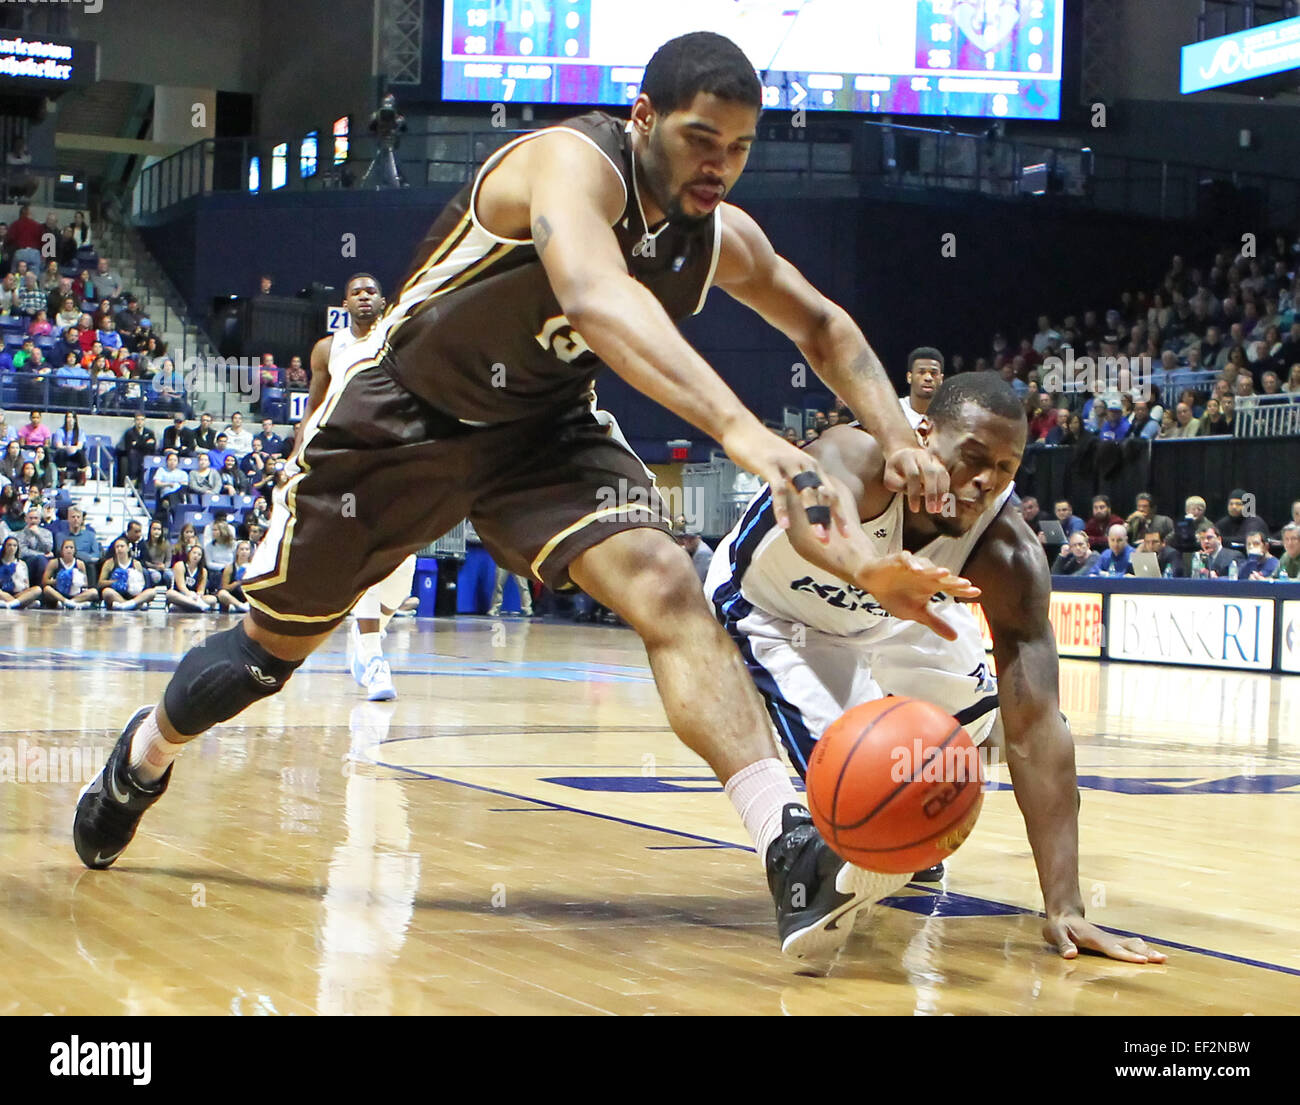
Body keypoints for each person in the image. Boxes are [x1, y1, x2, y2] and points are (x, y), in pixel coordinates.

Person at [73, 32, 956, 962]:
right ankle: (145, 755)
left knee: (664, 579)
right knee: (263, 659)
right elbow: (594, 299)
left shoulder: (716, 237)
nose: (720, 167)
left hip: (540, 432)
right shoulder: (566, 164)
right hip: (398, 423)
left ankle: (787, 840)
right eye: (702, 139)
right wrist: (745, 432)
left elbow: (821, 324)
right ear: (643, 116)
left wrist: (897, 431)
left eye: (739, 148)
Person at [705, 373, 1163, 964]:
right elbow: (806, 499)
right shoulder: (858, 455)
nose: (984, 483)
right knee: (863, 779)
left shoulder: (1007, 551)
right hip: (778, 610)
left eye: (1004, 467)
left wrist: (1066, 906)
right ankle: (840, 860)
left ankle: (912, 839)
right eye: (971, 458)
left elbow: (1039, 727)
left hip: (891, 617)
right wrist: (867, 565)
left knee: (993, 724)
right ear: (923, 435)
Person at [307, 274, 413, 702]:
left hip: (399, 458)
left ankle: (369, 635)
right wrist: (300, 456)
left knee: (401, 569)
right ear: (345, 302)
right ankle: (372, 655)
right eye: (357, 292)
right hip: (349, 459)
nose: (365, 297)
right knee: (362, 548)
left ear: (383, 301)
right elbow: (314, 409)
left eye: (371, 291)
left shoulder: (399, 340)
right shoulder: (328, 349)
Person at [98, 537, 159, 610]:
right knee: (106, 592)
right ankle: (131, 605)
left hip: (134, 595)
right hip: (116, 594)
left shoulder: (136, 563)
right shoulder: (109, 563)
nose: (119, 549)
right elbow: (100, 583)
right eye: (117, 547)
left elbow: (142, 584)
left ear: (128, 548)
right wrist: (115, 581)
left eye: (122, 546)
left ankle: (126, 605)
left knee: (152, 592)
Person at [42, 537, 98, 609]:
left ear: (74, 550)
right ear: (62, 550)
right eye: (66, 547)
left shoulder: (80, 563)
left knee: (94, 592)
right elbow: (44, 581)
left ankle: (69, 602)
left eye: (71, 548)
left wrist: (76, 581)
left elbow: (85, 583)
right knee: (47, 589)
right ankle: (68, 602)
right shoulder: (54, 562)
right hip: (58, 593)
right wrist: (58, 581)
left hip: (75, 593)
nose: (69, 550)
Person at [898, 346, 943, 429]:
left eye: (933, 373)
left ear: (941, 379)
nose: (928, 378)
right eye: (921, 372)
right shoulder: (894, 409)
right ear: (909, 377)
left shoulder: (950, 415)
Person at [166, 543, 216, 612]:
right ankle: (198, 606)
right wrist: (189, 594)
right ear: (189, 553)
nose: (196, 556)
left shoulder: (203, 571)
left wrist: (198, 595)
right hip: (181, 595)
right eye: (194, 553)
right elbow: (181, 586)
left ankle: (189, 606)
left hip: (195, 597)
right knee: (170, 593)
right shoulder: (180, 565)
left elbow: (201, 590)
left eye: (199, 554)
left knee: (213, 599)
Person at [0, 534, 40, 607]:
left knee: (37, 589)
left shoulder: (22, 564)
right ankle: (22, 603)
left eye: (14, 545)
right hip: (3, 593)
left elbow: (26, 584)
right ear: (4, 546)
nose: (12, 548)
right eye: (9, 545)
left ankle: (13, 603)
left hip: (19, 593)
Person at [218, 540, 253, 613]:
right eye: (242, 549)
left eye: (247, 549)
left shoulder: (253, 567)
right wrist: (238, 583)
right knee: (222, 593)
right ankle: (240, 606)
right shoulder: (230, 568)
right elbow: (225, 587)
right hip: (233, 595)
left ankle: (240, 606)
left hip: (247, 595)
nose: (244, 551)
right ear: (237, 552)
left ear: (250, 552)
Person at [142, 520, 173, 588]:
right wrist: (155, 566)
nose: (157, 531)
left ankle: (170, 594)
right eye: (154, 529)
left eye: (159, 529)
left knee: (170, 575)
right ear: (150, 530)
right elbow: (145, 561)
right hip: (151, 568)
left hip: (163, 568)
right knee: (156, 576)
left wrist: (164, 566)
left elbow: (169, 559)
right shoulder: (145, 544)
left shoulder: (166, 544)